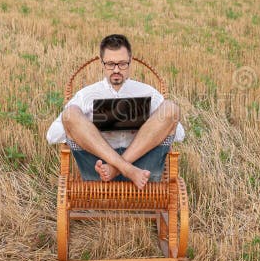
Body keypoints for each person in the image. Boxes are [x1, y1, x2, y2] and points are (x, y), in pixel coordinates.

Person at [46, 34, 184, 189]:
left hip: (143, 171)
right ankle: (126, 169)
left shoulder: (147, 93)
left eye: (122, 64)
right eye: (111, 64)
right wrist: (93, 127)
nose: (116, 69)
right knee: (70, 114)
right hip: (98, 170)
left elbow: (178, 133)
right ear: (102, 63)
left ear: (131, 61)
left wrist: (143, 126)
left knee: (171, 109)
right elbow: (52, 135)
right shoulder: (87, 95)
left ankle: (118, 168)